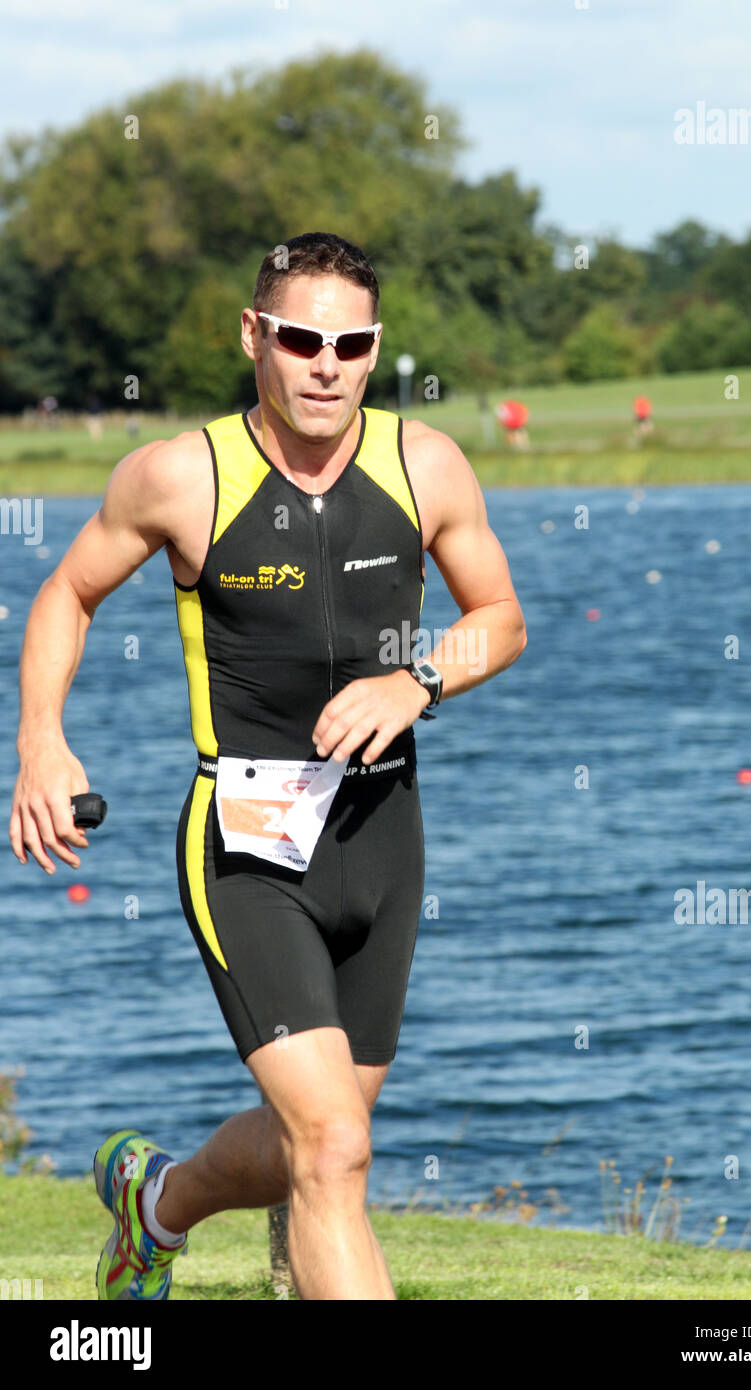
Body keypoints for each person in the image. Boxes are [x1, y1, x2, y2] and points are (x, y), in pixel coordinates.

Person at [9, 231, 527, 1301]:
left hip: (383, 839)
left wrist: (414, 682)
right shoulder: (179, 476)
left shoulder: (422, 461)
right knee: (332, 1145)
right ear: (255, 335)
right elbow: (66, 593)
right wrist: (40, 741)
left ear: (375, 347)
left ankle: (154, 1204)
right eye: (300, 338)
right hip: (248, 848)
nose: (325, 364)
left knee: (327, 1135)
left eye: (350, 343)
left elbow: (501, 616)